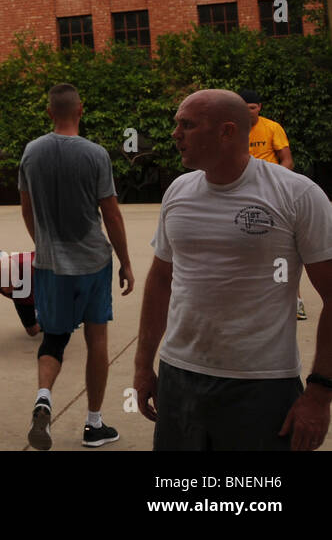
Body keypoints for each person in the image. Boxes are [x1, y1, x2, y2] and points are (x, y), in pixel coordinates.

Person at [133, 89, 332, 451]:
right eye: (177, 125)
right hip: (180, 377)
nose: (175, 134)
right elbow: (161, 280)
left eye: (187, 125)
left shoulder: (298, 195)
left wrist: (320, 392)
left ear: (226, 132)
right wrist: (143, 365)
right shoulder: (178, 191)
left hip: (262, 384)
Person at [18, 83, 134, 450]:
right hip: (92, 262)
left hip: (51, 265)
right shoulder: (96, 155)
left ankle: (43, 398)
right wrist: (126, 262)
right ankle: (93, 424)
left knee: (54, 337)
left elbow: (26, 207)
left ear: (50, 112)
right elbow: (111, 214)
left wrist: (44, 246)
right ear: (80, 110)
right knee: (96, 340)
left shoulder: (32, 152)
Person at [238, 88, 306, 320]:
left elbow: (287, 161)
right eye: (244, 108)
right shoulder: (232, 129)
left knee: (281, 245)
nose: (249, 113)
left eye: (253, 108)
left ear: (259, 108)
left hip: (271, 193)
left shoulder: (272, 127)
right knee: (246, 247)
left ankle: (295, 300)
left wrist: (272, 179)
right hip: (242, 193)